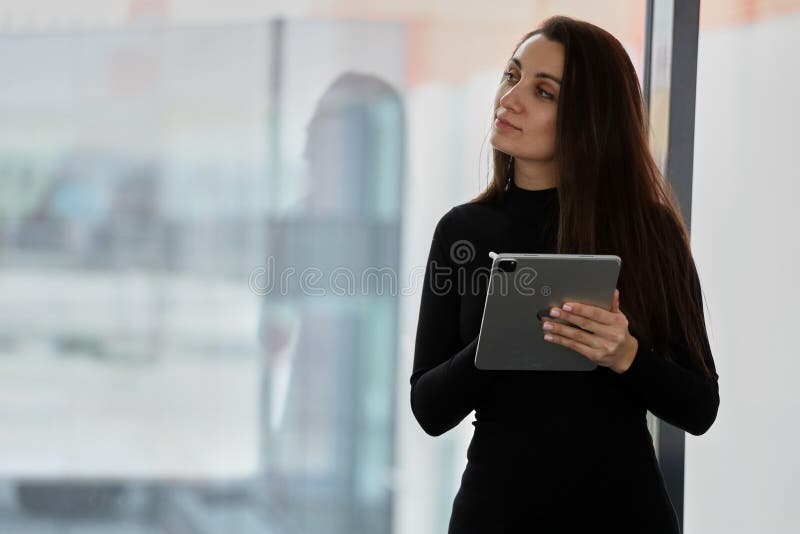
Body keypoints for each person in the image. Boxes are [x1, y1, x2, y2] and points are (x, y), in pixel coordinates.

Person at [409, 15, 720, 533]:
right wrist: (498, 339)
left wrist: (625, 356)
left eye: (544, 92)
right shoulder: (462, 231)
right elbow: (429, 409)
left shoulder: (649, 232)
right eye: (512, 76)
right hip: (495, 516)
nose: (510, 99)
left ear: (590, 118)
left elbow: (701, 407)